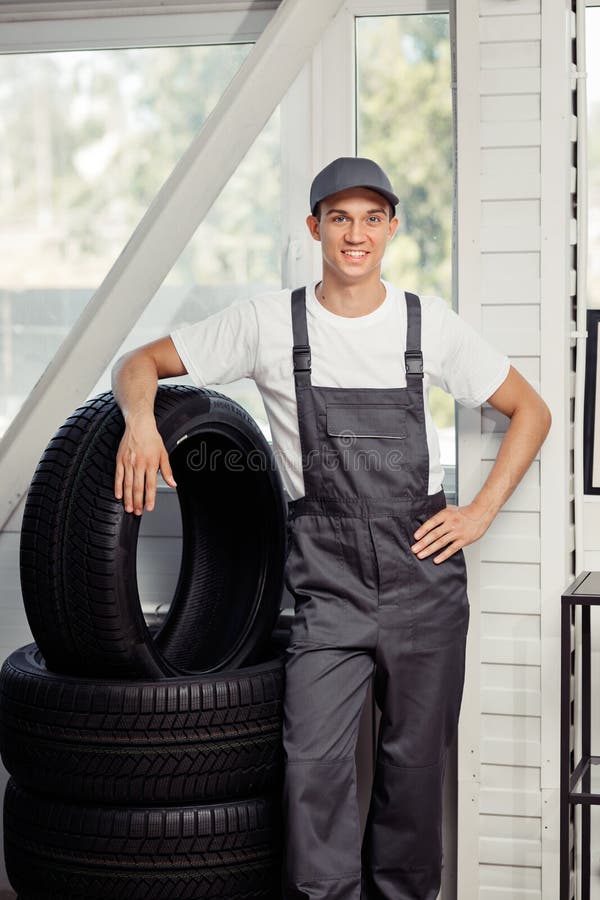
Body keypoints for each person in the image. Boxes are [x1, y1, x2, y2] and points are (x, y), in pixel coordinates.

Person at [112, 156, 551, 900]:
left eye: (372, 218)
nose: (357, 234)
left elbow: (531, 411)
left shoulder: (426, 323)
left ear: (391, 227)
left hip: (425, 586)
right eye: (340, 218)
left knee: (415, 777)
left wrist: (478, 513)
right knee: (313, 769)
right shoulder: (267, 324)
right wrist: (139, 423)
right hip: (328, 590)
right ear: (315, 227)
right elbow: (140, 362)